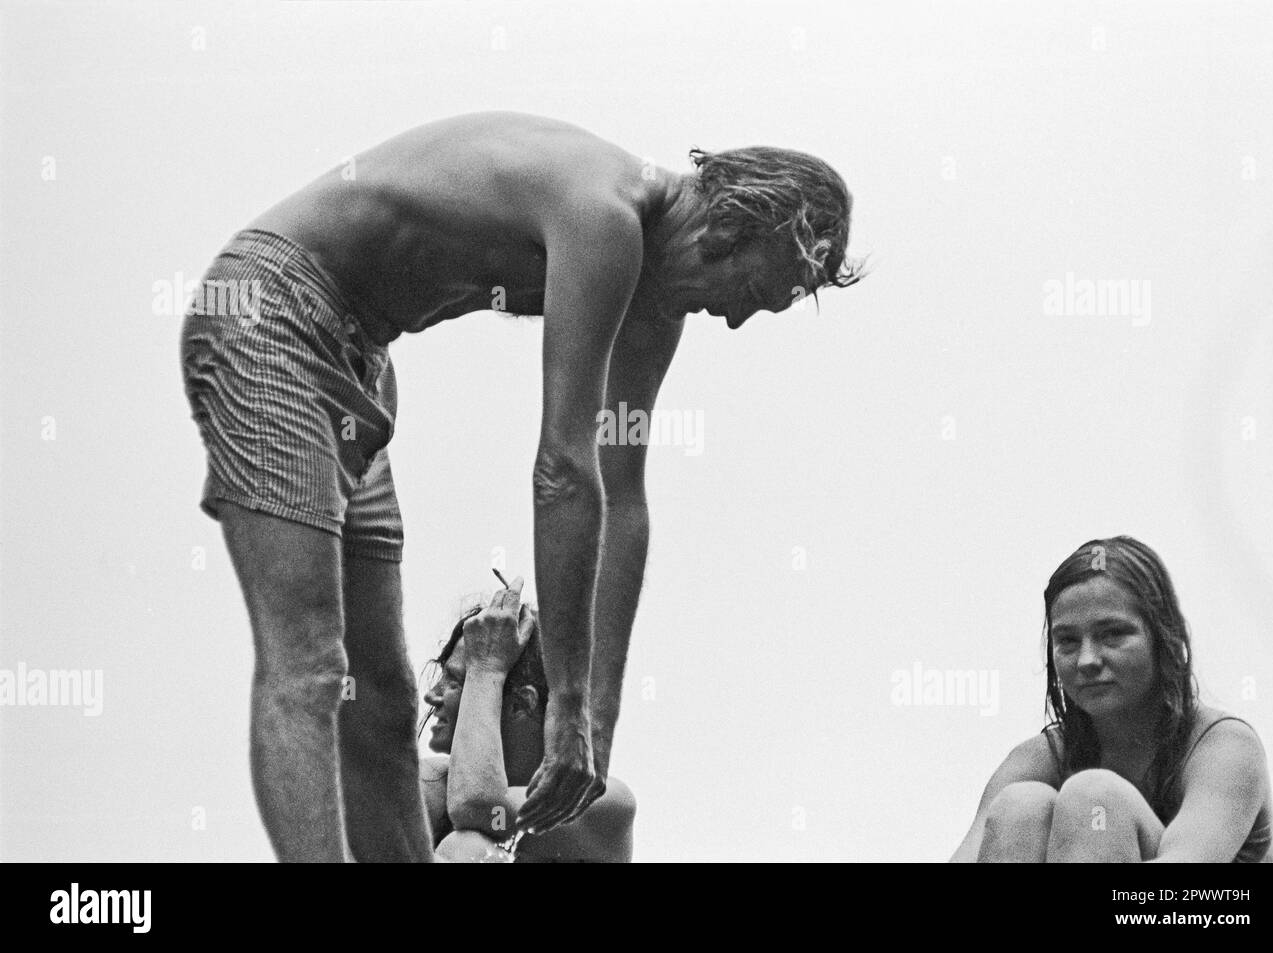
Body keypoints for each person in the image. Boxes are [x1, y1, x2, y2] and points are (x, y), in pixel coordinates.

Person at [180, 110, 862, 860]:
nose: (734, 321)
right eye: (756, 290)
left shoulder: (653, 299)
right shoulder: (606, 216)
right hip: (270, 313)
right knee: (311, 663)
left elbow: (622, 497)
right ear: (735, 225)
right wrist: (561, 704)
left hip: (360, 356)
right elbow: (564, 469)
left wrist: (593, 723)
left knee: (381, 696)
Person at [951, 536, 1273, 863]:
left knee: (1095, 799)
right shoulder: (1040, 758)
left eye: (1112, 634)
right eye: (1067, 640)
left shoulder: (1224, 747)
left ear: (1164, 638)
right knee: (1020, 807)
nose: (1087, 659)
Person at [420, 577, 636, 863]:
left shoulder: (604, 801)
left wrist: (487, 668)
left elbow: (478, 805)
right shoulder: (434, 781)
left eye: (457, 681)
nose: (431, 696)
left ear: (521, 704)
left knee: (469, 848)